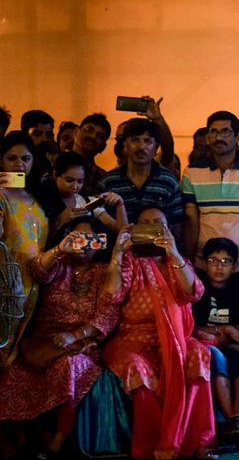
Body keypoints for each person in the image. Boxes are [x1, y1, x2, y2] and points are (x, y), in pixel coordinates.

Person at [103, 206, 217, 460]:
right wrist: (117, 253)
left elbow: (194, 292)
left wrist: (173, 252)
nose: (151, 227)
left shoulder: (176, 260)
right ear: (135, 229)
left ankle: (199, 441)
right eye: (144, 223)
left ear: (168, 228)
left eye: (157, 223)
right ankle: (157, 444)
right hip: (134, 340)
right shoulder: (131, 260)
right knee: (137, 368)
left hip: (177, 339)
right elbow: (112, 294)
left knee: (199, 355)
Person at [0, 217, 120, 457]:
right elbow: (37, 270)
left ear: (100, 242)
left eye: (90, 239)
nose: (83, 244)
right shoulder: (60, 264)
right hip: (44, 344)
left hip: (80, 345)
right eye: (78, 237)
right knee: (13, 374)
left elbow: (107, 315)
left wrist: (74, 335)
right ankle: (19, 438)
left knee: (69, 368)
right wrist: (59, 249)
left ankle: (57, 441)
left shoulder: (103, 271)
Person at [182, 111, 239, 275]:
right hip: (204, 263)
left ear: (238, 137)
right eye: (213, 132)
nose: (218, 137)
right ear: (207, 137)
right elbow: (191, 223)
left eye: (225, 132)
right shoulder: (192, 172)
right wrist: (188, 263)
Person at [193, 238, 239, 449]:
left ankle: (237, 419)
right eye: (213, 260)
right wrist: (226, 330)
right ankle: (233, 423)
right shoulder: (197, 285)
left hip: (230, 343)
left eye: (226, 261)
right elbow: (194, 328)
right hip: (206, 344)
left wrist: (224, 332)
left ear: (234, 265)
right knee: (215, 356)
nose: (219, 267)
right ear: (204, 263)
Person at [0, 131, 49, 366]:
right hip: (5, 282)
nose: (19, 164)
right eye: (12, 158)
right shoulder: (2, 195)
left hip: (31, 283)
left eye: (25, 158)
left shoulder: (36, 195)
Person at [98, 118, 183, 235]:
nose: (141, 146)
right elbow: (99, 223)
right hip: (117, 244)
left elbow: (177, 226)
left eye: (147, 141)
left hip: (159, 245)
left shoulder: (169, 181)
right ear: (125, 145)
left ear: (156, 148)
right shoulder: (108, 181)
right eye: (135, 140)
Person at [39, 151, 127, 235]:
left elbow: (122, 231)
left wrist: (120, 204)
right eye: (69, 180)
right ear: (55, 175)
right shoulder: (43, 201)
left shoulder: (86, 202)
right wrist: (60, 221)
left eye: (80, 181)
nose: (75, 187)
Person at [72, 113, 112, 197]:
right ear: (75, 132)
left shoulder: (103, 178)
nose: (93, 136)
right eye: (89, 130)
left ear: (103, 147)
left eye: (100, 136)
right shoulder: (54, 165)